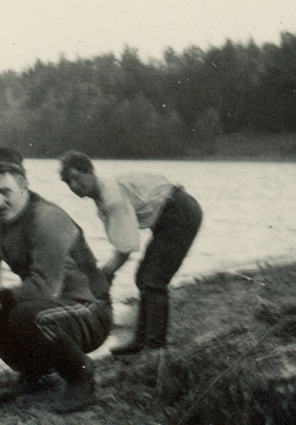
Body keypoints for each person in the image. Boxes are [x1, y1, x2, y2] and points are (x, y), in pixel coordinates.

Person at [0, 148, 112, 412]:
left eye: (5, 191)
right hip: (54, 309)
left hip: (92, 310)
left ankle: (81, 376)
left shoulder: (47, 217)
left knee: (24, 315)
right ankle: (35, 374)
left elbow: (43, 288)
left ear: (23, 186)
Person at [58, 151, 203, 356]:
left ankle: (155, 346)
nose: (74, 186)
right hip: (170, 214)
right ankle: (142, 340)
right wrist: (106, 273)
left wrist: (107, 273)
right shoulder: (102, 197)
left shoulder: (111, 197)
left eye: (76, 178)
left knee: (152, 279)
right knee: (145, 277)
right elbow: (121, 241)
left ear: (90, 171)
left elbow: (126, 247)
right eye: (68, 182)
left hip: (180, 211)